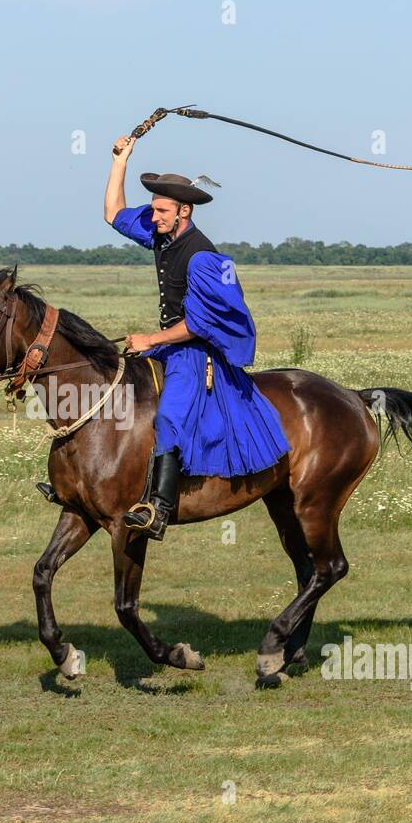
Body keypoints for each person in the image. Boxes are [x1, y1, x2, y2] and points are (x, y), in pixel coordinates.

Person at [104, 134, 291, 541]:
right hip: (168, 346)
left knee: (169, 415)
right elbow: (113, 213)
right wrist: (120, 160)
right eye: (153, 210)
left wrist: (151, 340)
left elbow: (200, 324)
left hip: (193, 352)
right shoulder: (161, 235)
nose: (152, 217)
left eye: (161, 211)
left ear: (183, 212)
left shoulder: (204, 258)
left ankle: (160, 509)